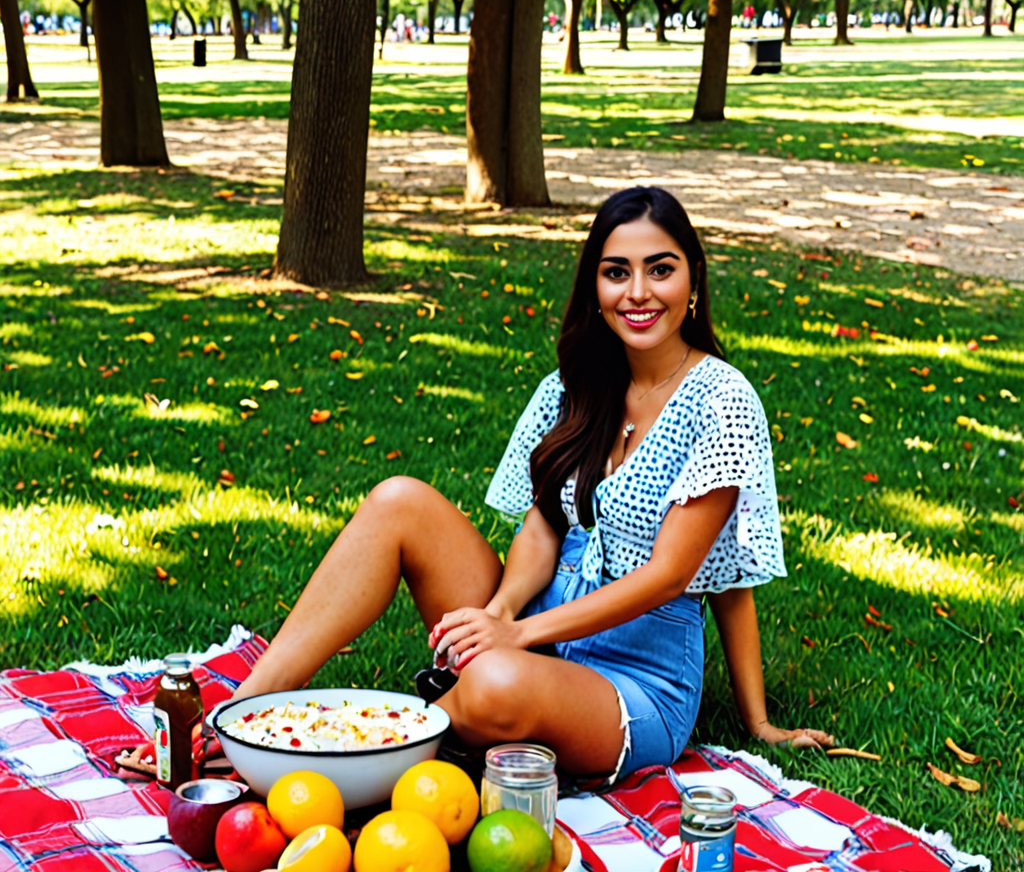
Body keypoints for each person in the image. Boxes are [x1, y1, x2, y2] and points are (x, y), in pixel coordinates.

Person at [233, 187, 830, 780]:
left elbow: (686, 575)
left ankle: (357, 745)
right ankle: (239, 719)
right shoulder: (574, 385)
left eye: (661, 270)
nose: (639, 293)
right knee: (399, 501)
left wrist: (758, 723)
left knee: (495, 681)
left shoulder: (723, 400)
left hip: (636, 682)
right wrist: (499, 611)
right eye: (616, 272)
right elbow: (544, 525)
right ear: (594, 288)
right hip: (534, 634)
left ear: (693, 280)